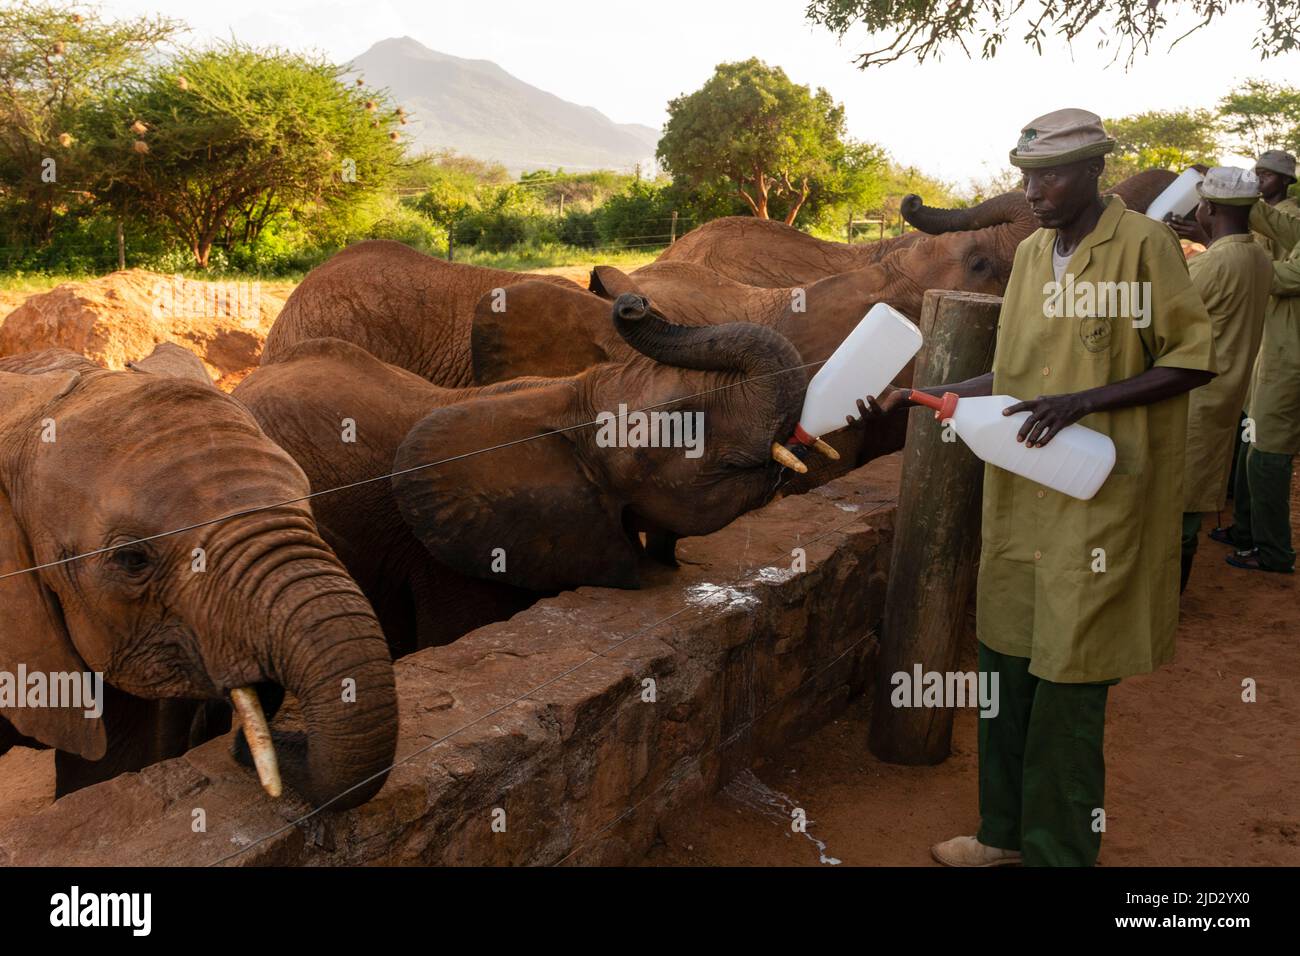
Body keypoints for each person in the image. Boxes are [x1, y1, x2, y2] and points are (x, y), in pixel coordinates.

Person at [855, 108, 1216, 867]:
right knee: (1006, 668)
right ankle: (1002, 835)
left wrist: (1084, 402)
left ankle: (1058, 854)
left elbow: (1190, 359)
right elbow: (1017, 380)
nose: (1035, 191)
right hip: (1023, 494)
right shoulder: (1031, 259)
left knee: (1069, 690)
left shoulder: (1145, 248)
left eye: (1050, 175)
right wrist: (921, 390)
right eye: (1026, 177)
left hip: (1099, 501)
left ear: (1094, 173)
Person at [1171, 169, 1272, 591]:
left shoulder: (1213, 263)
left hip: (1191, 398)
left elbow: (1169, 315)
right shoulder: (1259, 257)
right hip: (1225, 395)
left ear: (1208, 207)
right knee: (1192, 501)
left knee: (1175, 509)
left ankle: (1164, 601)